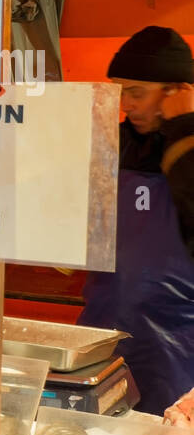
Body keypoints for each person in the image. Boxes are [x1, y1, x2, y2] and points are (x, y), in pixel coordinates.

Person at [78, 26, 194, 414]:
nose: (126, 104)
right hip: (105, 333)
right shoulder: (117, 143)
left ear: (179, 91)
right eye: (120, 90)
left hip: (178, 350)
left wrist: (183, 128)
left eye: (136, 92)